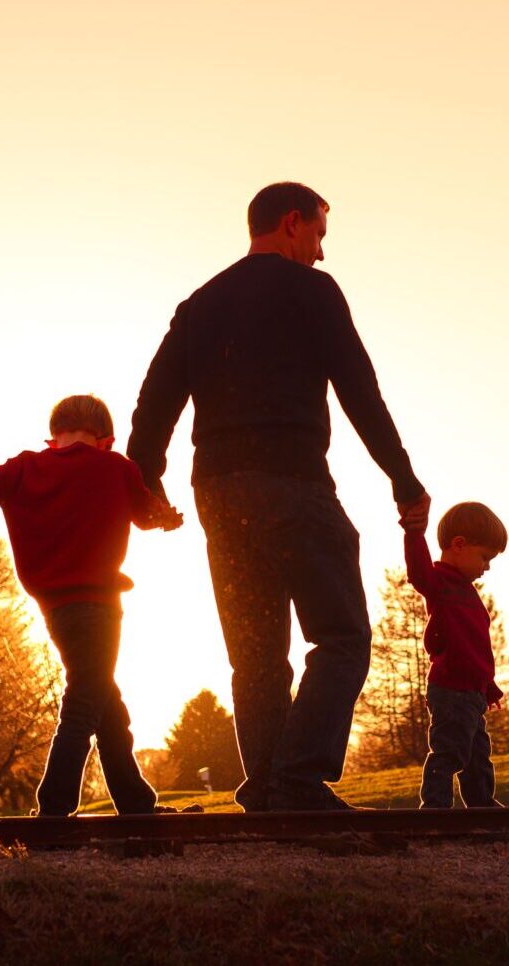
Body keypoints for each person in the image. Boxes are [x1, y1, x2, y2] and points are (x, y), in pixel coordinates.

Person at [128, 182, 431, 811]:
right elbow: (359, 391)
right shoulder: (314, 293)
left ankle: (267, 788)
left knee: (256, 653)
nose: (321, 253)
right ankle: (297, 778)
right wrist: (403, 479)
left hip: (218, 489)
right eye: (319, 234)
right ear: (291, 223)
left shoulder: (201, 304)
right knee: (341, 634)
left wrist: (144, 485)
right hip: (292, 483)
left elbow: (154, 401)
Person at [0, 395, 183, 816]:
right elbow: (147, 517)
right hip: (101, 609)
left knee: (107, 705)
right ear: (106, 439)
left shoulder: (25, 469)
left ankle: (137, 805)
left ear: (53, 437)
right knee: (85, 702)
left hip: (56, 613)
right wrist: (167, 516)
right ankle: (53, 810)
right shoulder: (117, 468)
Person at [407, 502, 508, 809]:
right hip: (450, 689)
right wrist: (414, 533)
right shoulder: (440, 583)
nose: (487, 567)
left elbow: (476, 648)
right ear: (459, 545)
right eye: (485, 557)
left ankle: (481, 806)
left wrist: (487, 687)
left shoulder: (469, 594)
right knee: (449, 750)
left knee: (477, 755)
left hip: (472, 693)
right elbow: (417, 571)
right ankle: (435, 808)